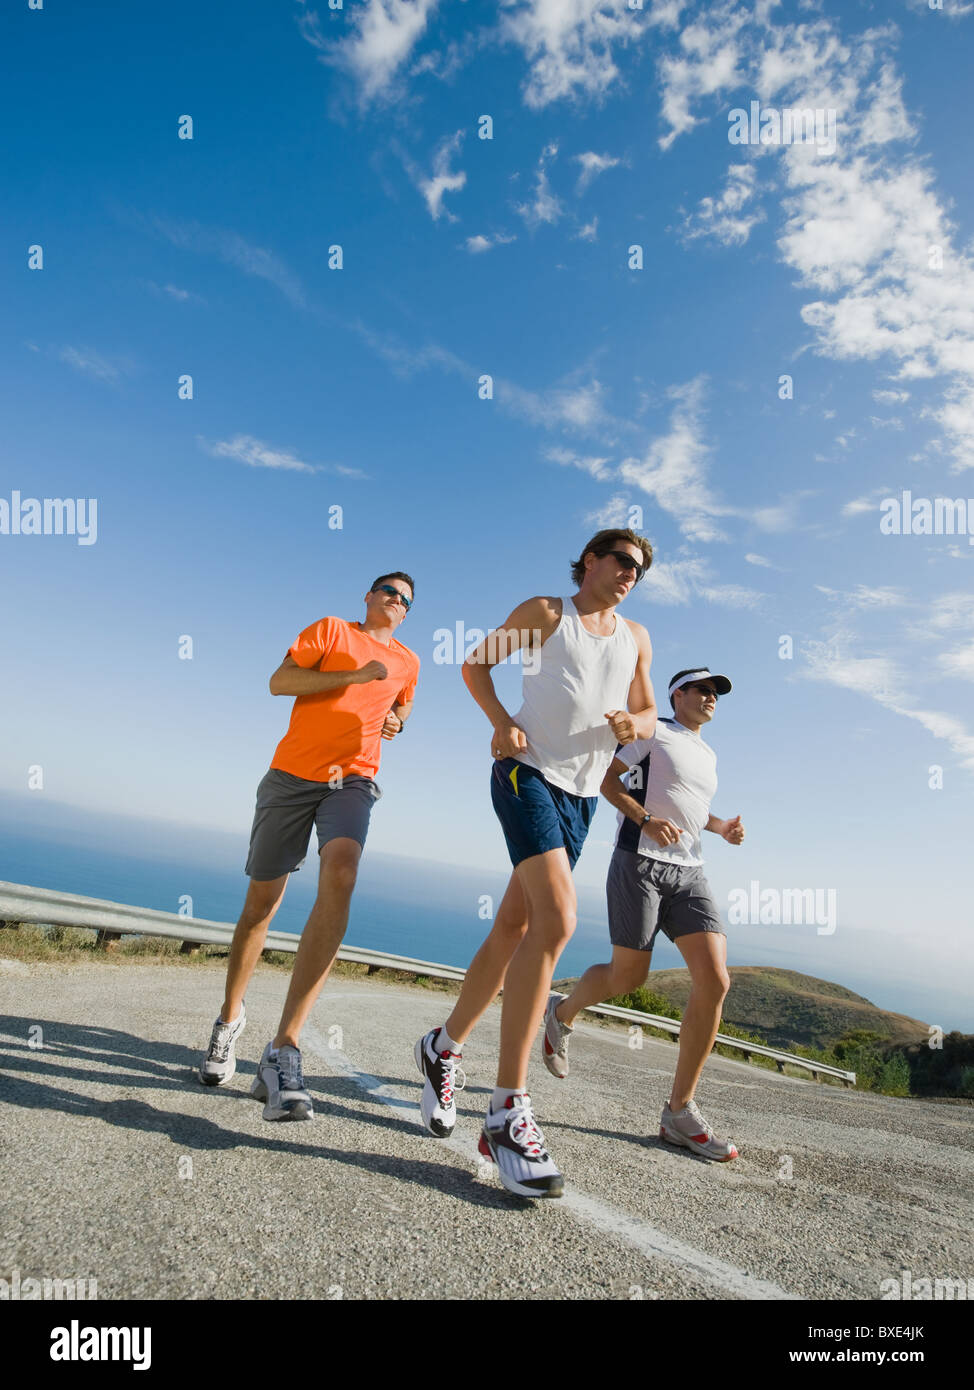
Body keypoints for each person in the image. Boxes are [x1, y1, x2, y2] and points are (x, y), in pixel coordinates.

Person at [414, 529, 657, 1197]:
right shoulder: (547, 613)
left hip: (582, 799)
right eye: (622, 562)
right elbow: (474, 664)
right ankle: (506, 1111)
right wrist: (499, 720)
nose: (630, 574)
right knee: (557, 924)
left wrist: (639, 725)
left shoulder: (636, 636)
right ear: (590, 561)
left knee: (516, 929)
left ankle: (442, 1046)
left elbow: (647, 710)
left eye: (640, 568)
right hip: (524, 774)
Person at [197, 573, 420, 1121]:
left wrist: (396, 719)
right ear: (368, 597)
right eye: (389, 591)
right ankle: (230, 1019)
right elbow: (280, 682)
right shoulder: (330, 629)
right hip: (292, 775)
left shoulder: (410, 662)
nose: (397, 601)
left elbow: (404, 704)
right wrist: (354, 674)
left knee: (342, 871)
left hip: (353, 779)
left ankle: (284, 1048)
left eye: (407, 600)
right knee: (262, 905)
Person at [541, 668, 744, 1161]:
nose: (711, 698)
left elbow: (693, 809)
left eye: (716, 693)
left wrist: (721, 827)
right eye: (702, 689)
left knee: (715, 980)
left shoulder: (709, 753)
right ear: (677, 694)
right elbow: (609, 782)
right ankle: (561, 1013)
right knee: (627, 977)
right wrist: (646, 820)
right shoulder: (656, 733)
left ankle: (679, 1111)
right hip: (639, 864)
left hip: (690, 873)